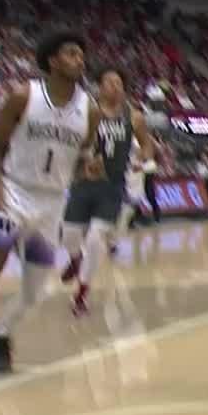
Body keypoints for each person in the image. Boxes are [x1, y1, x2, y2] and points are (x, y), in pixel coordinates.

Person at [0, 31, 100, 406]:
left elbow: (80, 159)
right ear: (53, 60)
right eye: (71, 53)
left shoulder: (88, 110)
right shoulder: (23, 97)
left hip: (51, 207)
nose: (80, 59)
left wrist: (86, 167)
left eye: (81, 53)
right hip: (14, 197)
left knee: (34, 291)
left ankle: (1, 331)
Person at [60, 67, 155, 314]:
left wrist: (141, 159)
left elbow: (147, 145)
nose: (115, 86)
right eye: (110, 81)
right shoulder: (84, 111)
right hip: (82, 183)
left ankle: (81, 293)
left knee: (94, 239)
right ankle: (75, 259)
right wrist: (82, 159)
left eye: (119, 82)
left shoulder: (134, 117)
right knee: (69, 235)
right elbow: (69, 142)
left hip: (112, 186)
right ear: (99, 86)